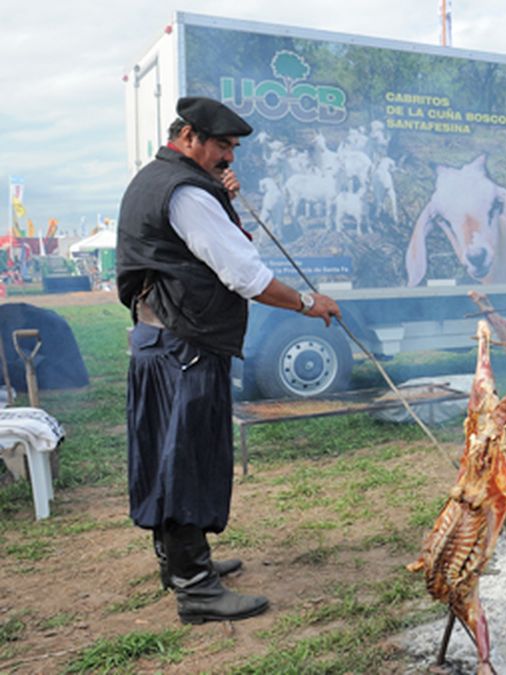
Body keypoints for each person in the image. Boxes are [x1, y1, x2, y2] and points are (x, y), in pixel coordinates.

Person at [116, 96, 341, 625]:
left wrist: (221, 196)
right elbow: (244, 275)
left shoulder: (163, 181)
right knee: (187, 461)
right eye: (222, 145)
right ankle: (196, 588)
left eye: (233, 148)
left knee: (170, 456)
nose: (229, 157)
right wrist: (307, 302)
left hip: (161, 342)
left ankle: (181, 564)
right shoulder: (187, 194)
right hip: (183, 347)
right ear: (188, 136)